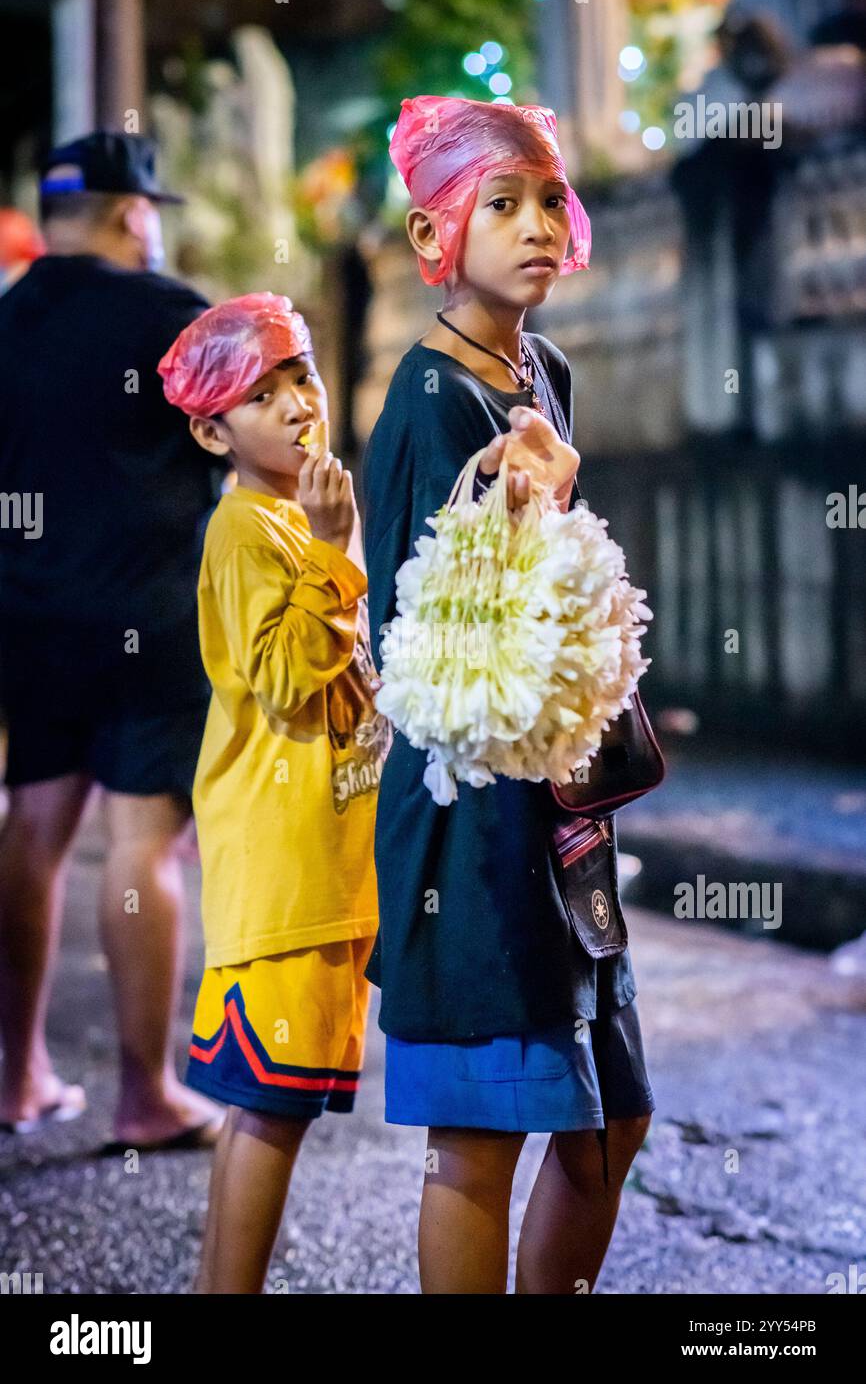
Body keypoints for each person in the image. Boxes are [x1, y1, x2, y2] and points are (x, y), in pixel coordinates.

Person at [362, 95, 656, 1294]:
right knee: (475, 1147)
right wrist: (514, 509)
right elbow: (407, 639)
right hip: (467, 827)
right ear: (438, 236)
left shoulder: (545, 370)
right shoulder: (426, 403)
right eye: (500, 204)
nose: (536, 224)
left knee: (609, 1124)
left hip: (561, 808)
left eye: (548, 200)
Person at [0, 132, 223, 1148]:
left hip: (29, 616)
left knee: (33, 830)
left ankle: (18, 1077)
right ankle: (145, 1095)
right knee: (143, 844)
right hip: (150, 620)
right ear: (135, 214)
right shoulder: (173, 316)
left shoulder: (7, 319)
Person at [159, 294, 384, 1293]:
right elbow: (293, 678)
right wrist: (336, 554)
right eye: (263, 392)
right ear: (213, 430)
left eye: (301, 375)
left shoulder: (294, 517)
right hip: (284, 884)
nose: (298, 403)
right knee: (269, 1110)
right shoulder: (249, 530)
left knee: (270, 1110)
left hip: (315, 874)